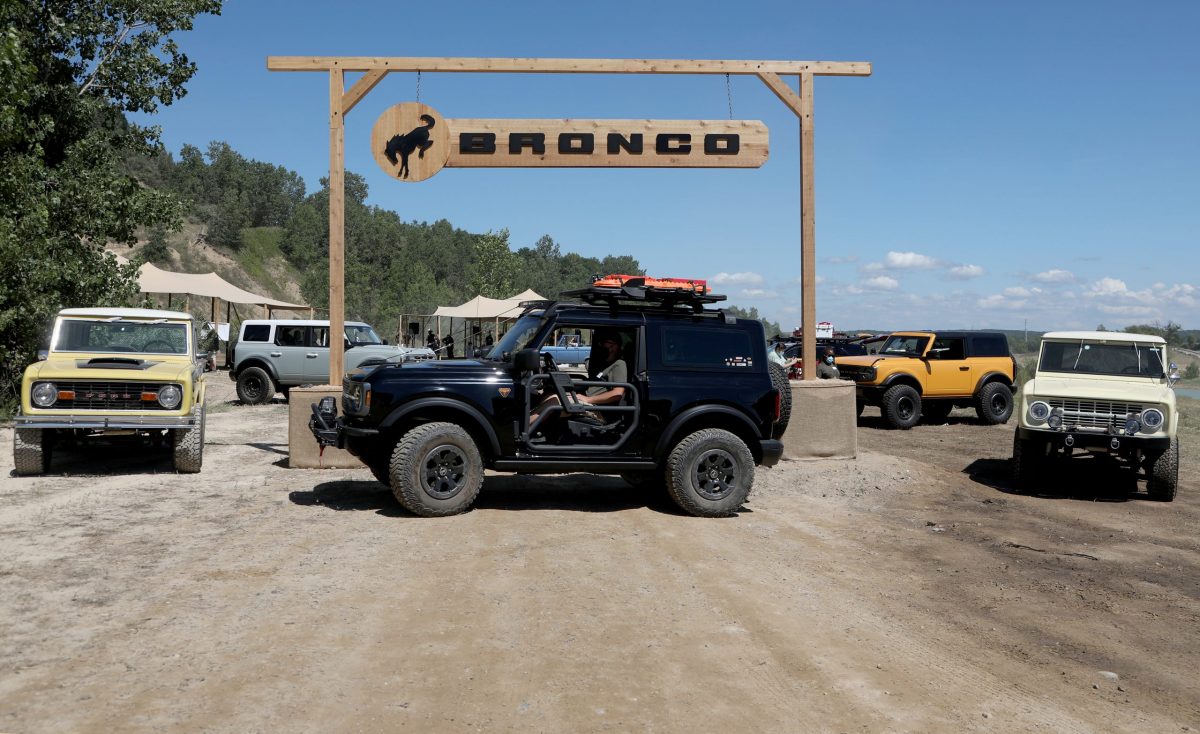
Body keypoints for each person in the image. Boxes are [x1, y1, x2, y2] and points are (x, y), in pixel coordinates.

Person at [530, 330, 627, 426]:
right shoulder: (605, 364)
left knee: (553, 403)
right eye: (601, 343)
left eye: (606, 343)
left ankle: (525, 429)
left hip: (598, 410)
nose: (601, 346)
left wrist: (588, 399)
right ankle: (529, 422)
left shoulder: (619, 364)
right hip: (588, 402)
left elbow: (617, 393)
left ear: (614, 346)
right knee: (552, 395)